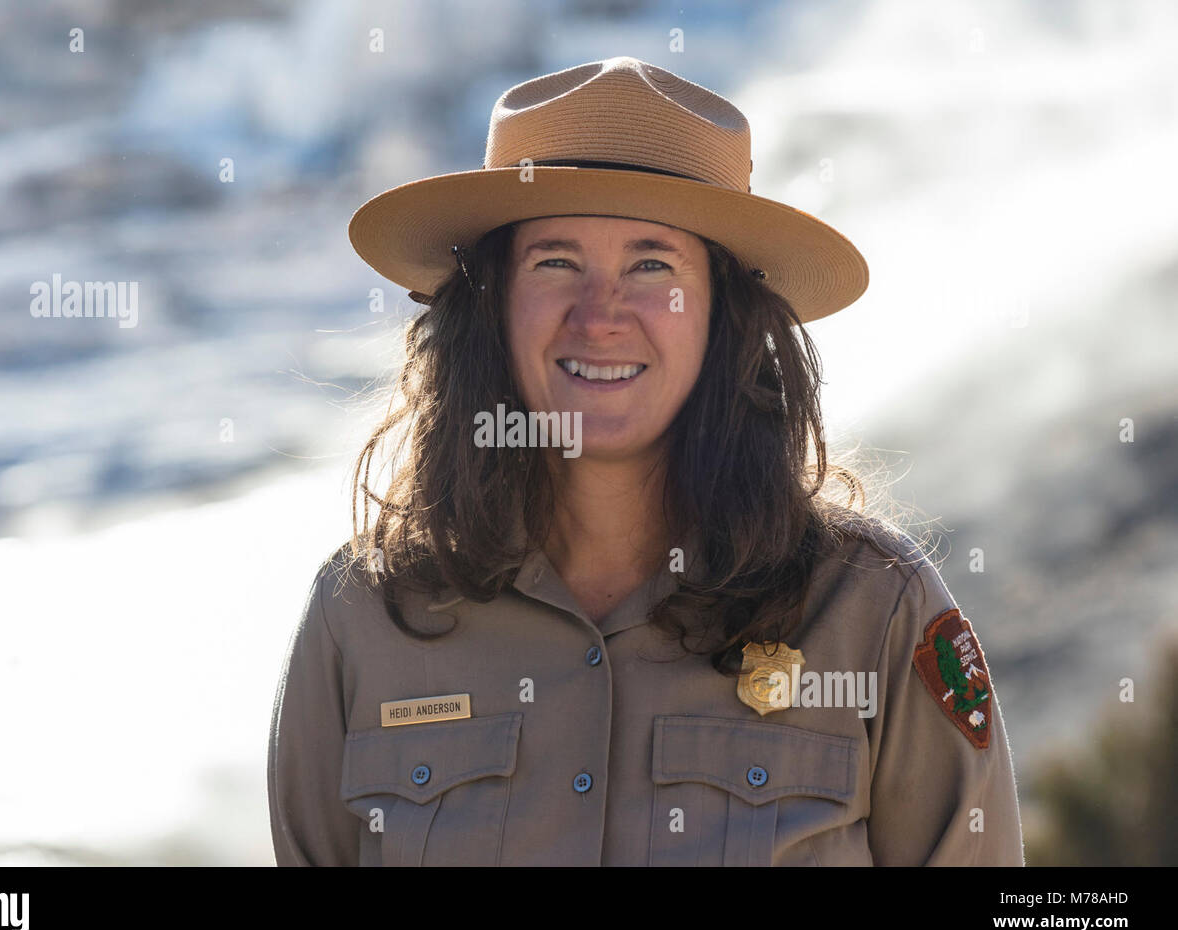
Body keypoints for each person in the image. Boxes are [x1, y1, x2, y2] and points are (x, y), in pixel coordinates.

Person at [267, 56, 1023, 866]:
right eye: (555, 261)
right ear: (489, 303)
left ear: (721, 311)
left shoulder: (872, 612)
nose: (600, 316)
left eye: (652, 265)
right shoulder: (361, 621)